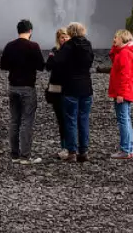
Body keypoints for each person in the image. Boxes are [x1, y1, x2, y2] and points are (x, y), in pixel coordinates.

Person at [0, 19, 45, 164]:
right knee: (27, 122)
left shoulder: (10, 46)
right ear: (30, 31)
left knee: (14, 121)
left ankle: (14, 155)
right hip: (27, 88)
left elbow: (3, 65)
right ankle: (25, 157)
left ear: (18, 30)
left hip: (13, 87)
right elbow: (41, 66)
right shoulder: (33, 46)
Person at [56, 21, 95, 163]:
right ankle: (84, 151)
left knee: (71, 119)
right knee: (84, 119)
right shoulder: (88, 44)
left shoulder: (68, 46)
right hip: (86, 87)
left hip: (71, 87)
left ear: (71, 32)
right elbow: (90, 61)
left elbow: (58, 62)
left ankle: (72, 152)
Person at [108, 29, 133, 160]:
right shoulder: (126, 52)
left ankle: (126, 149)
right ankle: (129, 148)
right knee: (126, 119)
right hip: (129, 90)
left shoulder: (125, 54)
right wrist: (115, 47)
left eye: (116, 38)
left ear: (122, 39)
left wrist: (120, 93)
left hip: (123, 92)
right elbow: (113, 58)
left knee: (123, 120)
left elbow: (125, 75)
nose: (114, 40)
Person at [44, 28, 70, 158]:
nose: (64, 39)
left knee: (69, 119)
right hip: (56, 90)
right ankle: (64, 147)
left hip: (69, 89)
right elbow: (48, 66)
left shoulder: (71, 52)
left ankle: (71, 148)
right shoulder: (54, 51)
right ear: (58, 39)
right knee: (61, 120)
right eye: (62, 37)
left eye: (66, 37)